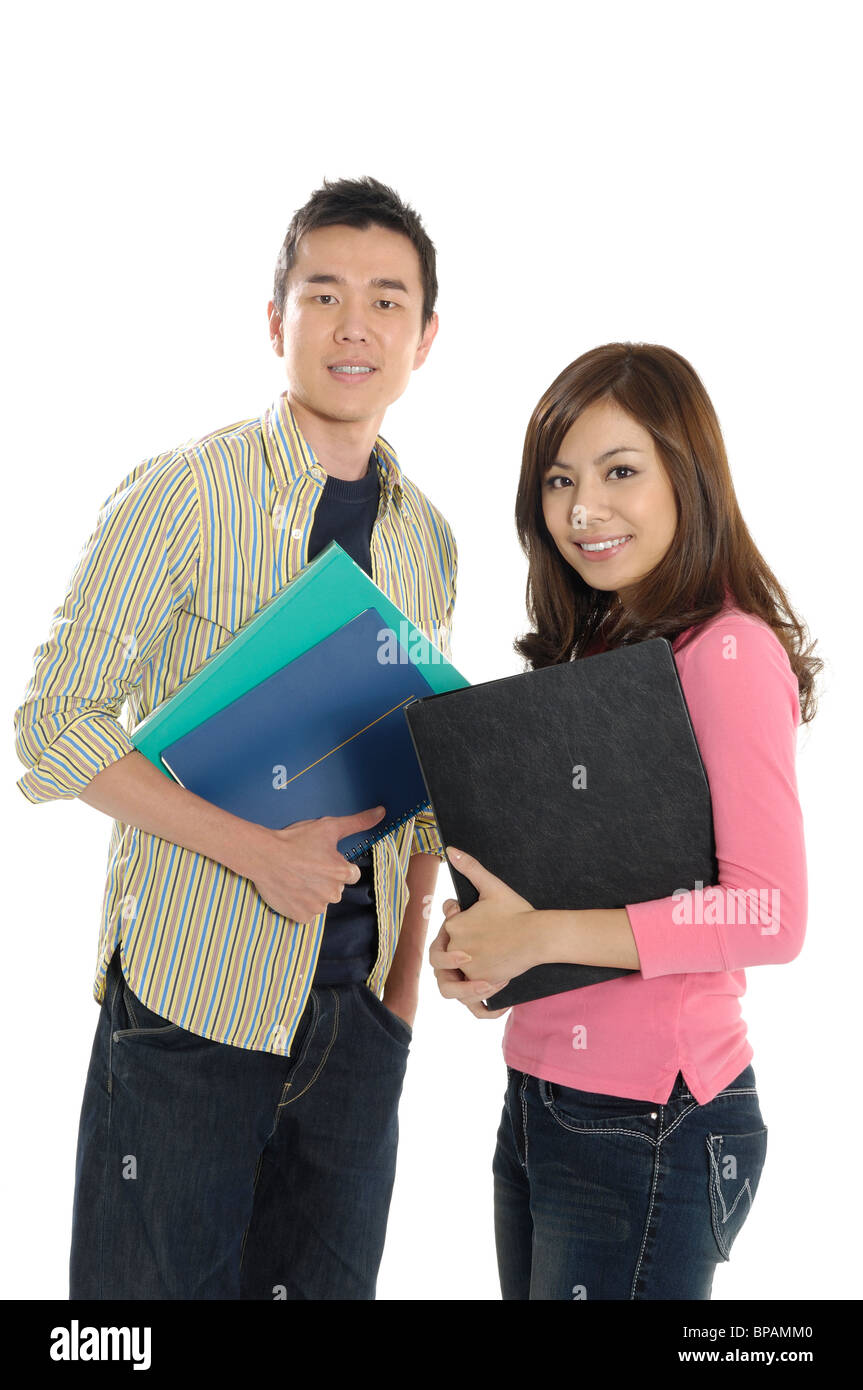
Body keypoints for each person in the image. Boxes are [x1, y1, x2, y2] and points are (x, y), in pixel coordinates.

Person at [14, 175, 457, 1300]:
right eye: (323, 295)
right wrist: (254, 852)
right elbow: (52, 722)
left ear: (425, 337)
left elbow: (418, 779)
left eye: (387, 301)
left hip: (354, 1027)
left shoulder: (429, 541)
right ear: (276, 321)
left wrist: (397, 996)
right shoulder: (182, 494)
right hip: (191, 1014)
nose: (354, 325)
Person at [430, 342, 818, 1300]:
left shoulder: (726, 652)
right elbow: (583, 891)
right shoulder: (598, 649)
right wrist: (490, 956)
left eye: (619, 472)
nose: (582, 510)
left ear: (688, 476)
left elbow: (769, 914)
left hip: (649, 1115)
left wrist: (538, 935)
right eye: (559, 480)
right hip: (544, 1098)